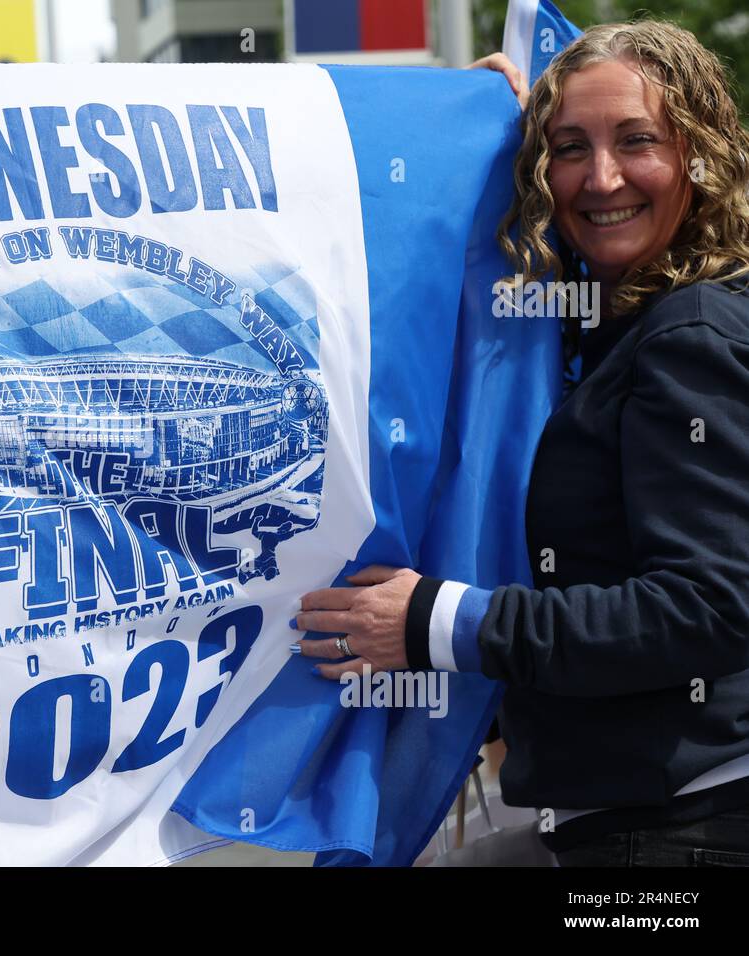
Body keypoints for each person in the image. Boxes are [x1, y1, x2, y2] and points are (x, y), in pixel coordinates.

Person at [292, 20, 749, 867]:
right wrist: (468, 131)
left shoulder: (691, 334)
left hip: (680, 838)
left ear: (702, 155)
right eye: (568, 147)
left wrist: (436, 621)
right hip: (616, 821)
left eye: (637, 141)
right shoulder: (613, 322)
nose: (601, 176)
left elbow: (711, 607)